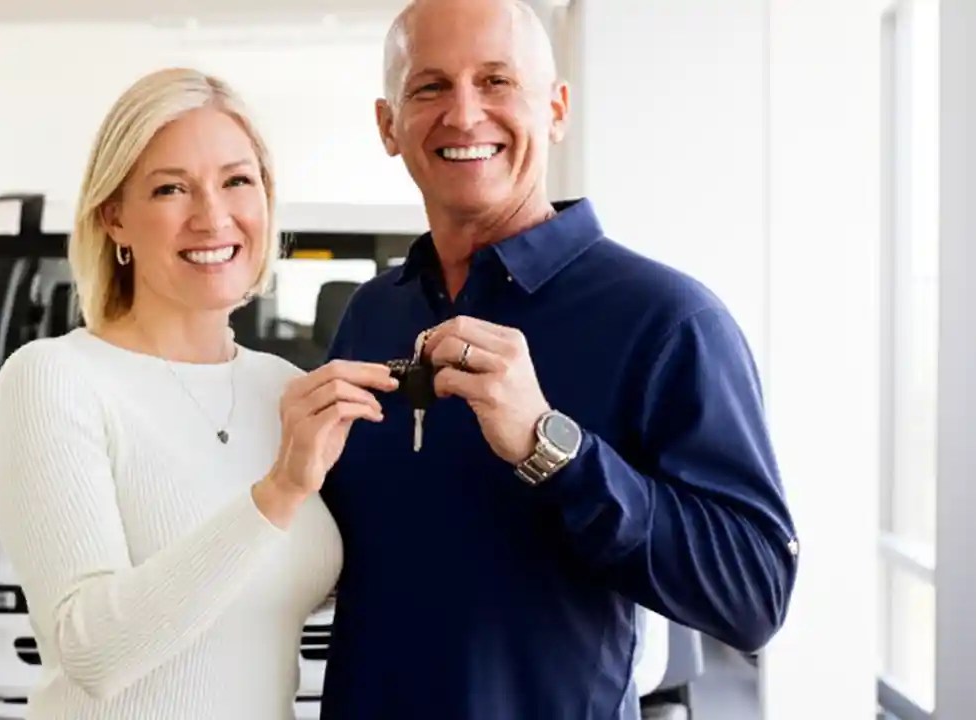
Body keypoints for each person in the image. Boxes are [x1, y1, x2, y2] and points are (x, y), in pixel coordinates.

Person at [316, 1, 800, 718]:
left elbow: (753, 593)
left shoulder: (668, 319)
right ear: (389, 125)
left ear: (556, 108)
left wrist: (555, 448)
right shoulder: (371, 314)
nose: (464, 113)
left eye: (497, 80)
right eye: (430, 87)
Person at [0, 67, 396, 720]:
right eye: (171, 188)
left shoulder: (284, 391)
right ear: (114, 216)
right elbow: (91, 654)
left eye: (237, 181)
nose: (212, 217)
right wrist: (279, 492)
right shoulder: (54, 379)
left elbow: (264, 591)